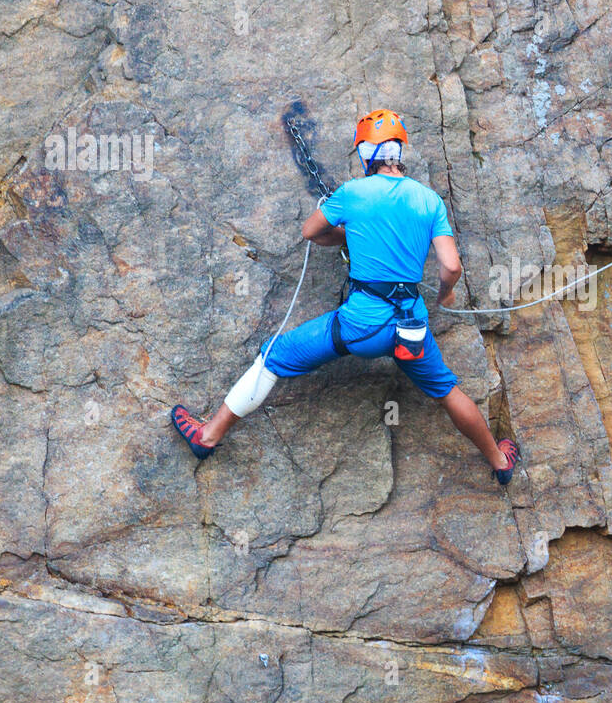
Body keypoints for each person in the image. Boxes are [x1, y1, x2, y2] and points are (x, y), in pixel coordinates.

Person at [171, 108, 521, 484]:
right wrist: (447, 294)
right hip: (411, 328)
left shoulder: (353, 193)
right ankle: (499, 462)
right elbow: (450, 266)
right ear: (399, 150)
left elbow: (311, 232)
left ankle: (208, 436)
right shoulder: (429, 201)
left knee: (275, 356)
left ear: (367, 154)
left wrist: (350, 236)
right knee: (447, 390)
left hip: (360, 327)